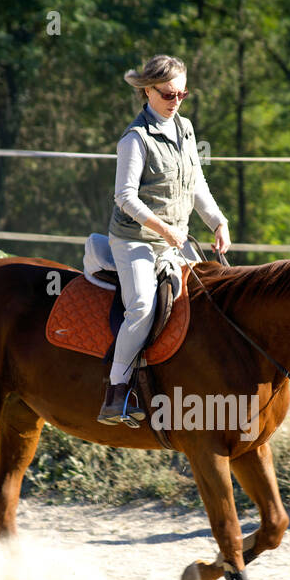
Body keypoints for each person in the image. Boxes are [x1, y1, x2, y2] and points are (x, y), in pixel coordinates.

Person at [99, 54, 231, 425]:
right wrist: (165, 230)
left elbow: (196, 184)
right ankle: (117, 389)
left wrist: (218, 221)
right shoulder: (135, 139)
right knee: (141, 306)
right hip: (135, 240)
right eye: (168, 95)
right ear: (147, 91)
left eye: (182, 94)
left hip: (174, 238)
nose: (176, 102)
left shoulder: (185, 129)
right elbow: (124, 197)